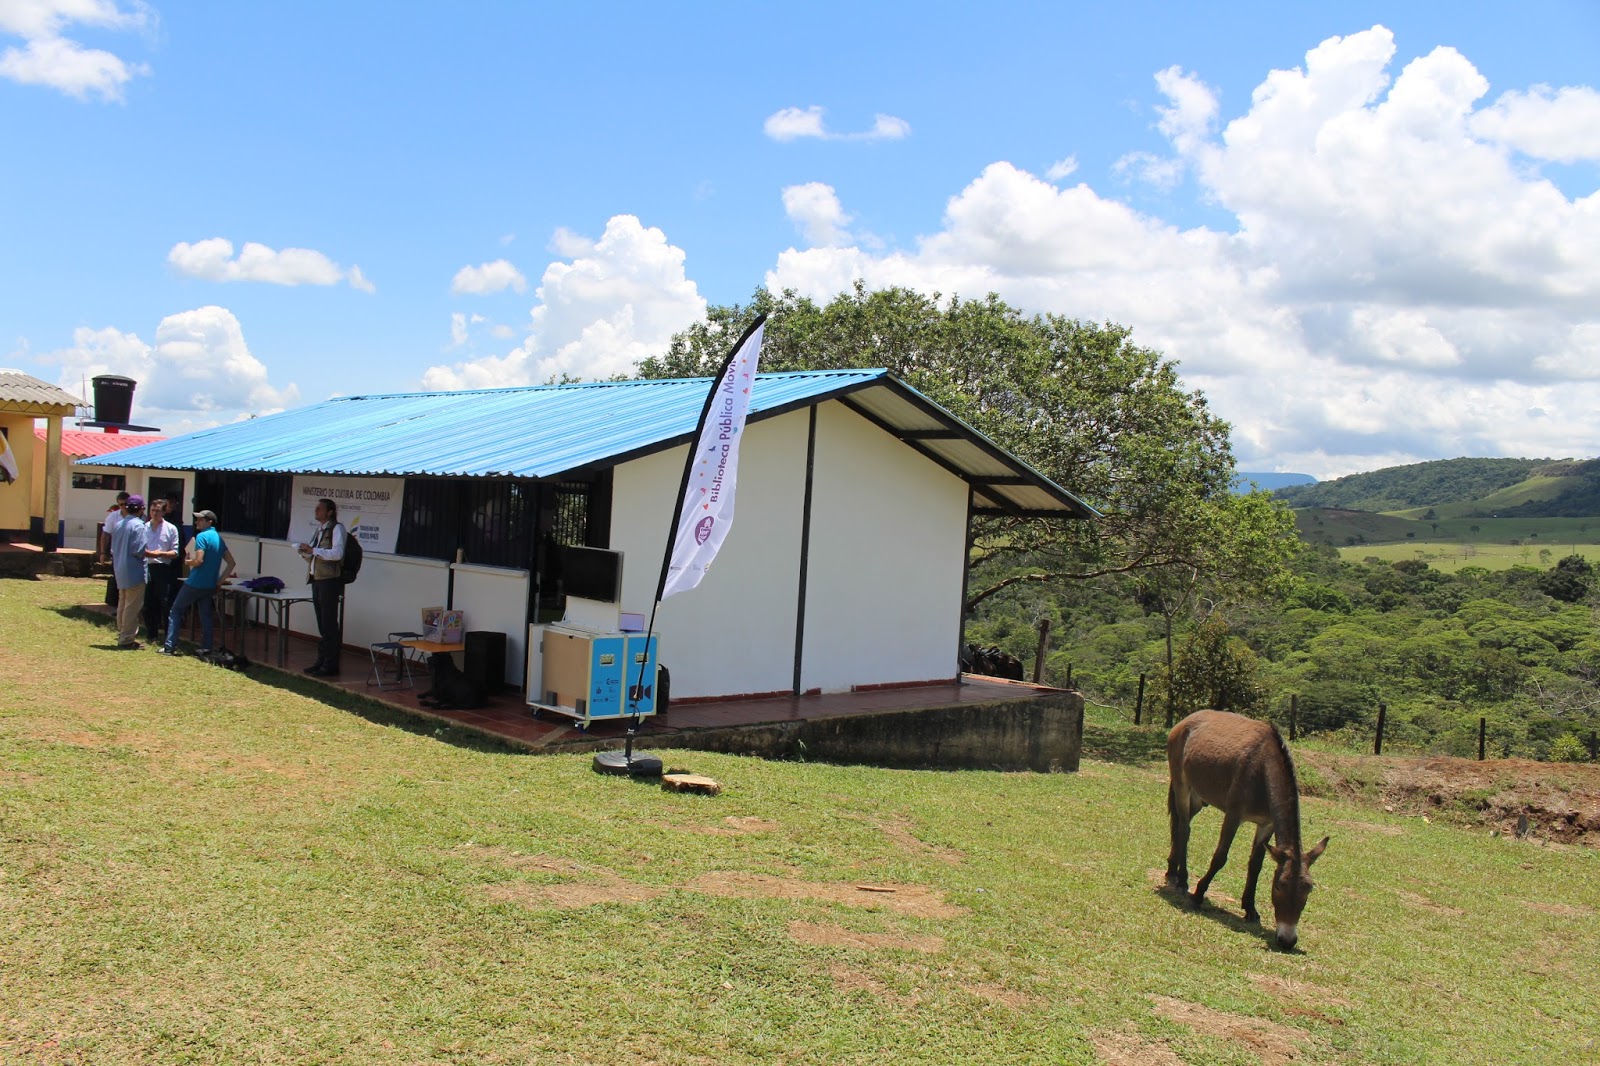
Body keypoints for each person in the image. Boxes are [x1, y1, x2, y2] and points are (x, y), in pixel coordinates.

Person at [161, 509, 235, 656]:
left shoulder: (201, 537)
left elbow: (199, 560)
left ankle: (169, 647)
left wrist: (188, 561)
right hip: (210, 585)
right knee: (206, 615)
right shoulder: (219, 539)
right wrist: (219, 582)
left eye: (201, 519)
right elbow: (231, 563)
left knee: (175, 611)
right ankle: (206, 647)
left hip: (195, 583)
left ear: (210, 522)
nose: (197, 522)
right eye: (198, 519)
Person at [295, 498, 346, 676]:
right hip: (316, 579)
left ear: (330, 512)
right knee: (322, 624)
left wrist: (314, 551)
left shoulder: (337, 528)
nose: (316, 511)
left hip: (329, 581)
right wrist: (305, 552)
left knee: (329, 623)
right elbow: (316, 553)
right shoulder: (319, 529)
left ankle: (331, 665)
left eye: (320, 508)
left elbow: (337, 553)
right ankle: (321, 661)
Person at [109, 494, 148, 648]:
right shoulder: (139, 526)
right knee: (132, 606)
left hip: (120, 569)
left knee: (123, 603)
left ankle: (122, 633)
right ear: (141, 509)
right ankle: (126, 639)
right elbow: (139, 550)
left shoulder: (119, 524)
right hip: (134, 570)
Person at [142, 499, 181, 645]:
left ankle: (167, 637)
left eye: (158, 510)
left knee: (164, 603)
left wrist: (160, 553)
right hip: (146, 567)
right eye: (152, 510)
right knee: (148, 603)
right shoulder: (144, 527)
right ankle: (151, 635)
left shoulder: (171, 529)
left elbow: (175, 552)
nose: (154, 513)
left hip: (163, 568)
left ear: (164, 512)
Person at [100, 490, 129, 607]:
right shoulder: (113, 517)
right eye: (121, 504)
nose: (124, 507)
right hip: (117, 554)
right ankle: (116, 607)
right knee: (117, 581)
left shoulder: (139, 516)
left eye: (126, 504)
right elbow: (105, 534)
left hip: (132, 555)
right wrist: (103, 553)